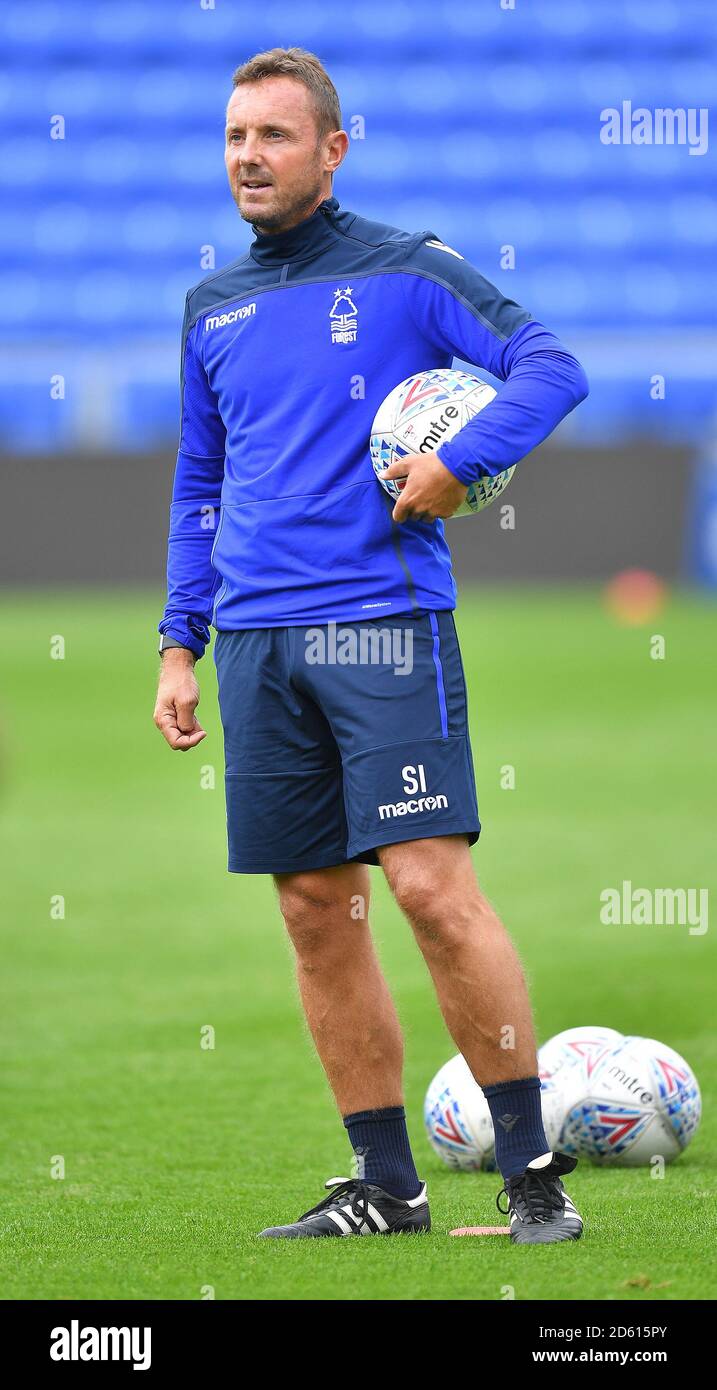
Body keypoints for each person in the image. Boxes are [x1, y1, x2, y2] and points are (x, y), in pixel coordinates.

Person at [154, 46, 589, 1243]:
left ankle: (532, 1175)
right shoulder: (212, 306)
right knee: (311, 908)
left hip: (382, 626)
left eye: (274, 136)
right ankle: (386, 1185)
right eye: (236, 135)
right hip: (252, 641)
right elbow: (203, 481)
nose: (249, 155)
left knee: (433, 891)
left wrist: (465, 462)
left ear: (332, 150)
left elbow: (552, 365)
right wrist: (179, 641)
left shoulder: (409, 268)